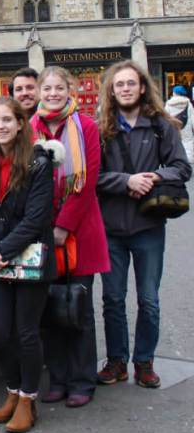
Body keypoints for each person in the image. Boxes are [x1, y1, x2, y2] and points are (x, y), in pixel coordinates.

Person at [96, 60, 192, 390]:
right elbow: (91, 177)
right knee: (112, 299)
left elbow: (181, 167)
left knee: (148, 299)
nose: (124, 88)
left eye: (130, 83)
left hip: (149, 225)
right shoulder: (100, 128)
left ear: (141, 87)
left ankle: (145, 362)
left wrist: (156, 176)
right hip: (111, 228)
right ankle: (117, 361)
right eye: (118, 84)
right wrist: (126, 181)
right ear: (112, 90)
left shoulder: (160, 125)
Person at [0, 96, 56, 433]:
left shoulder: (39, 162)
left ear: (21, 123)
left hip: (30, 260)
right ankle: (12, 391)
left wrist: (1, 250)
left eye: (7, 120)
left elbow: (36, 219)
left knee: (25, 333)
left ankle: (27, 400)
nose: (1, 126)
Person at [29, 66, 109, 407]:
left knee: (78, 307)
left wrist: (63, 225)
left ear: (69, 90)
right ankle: (58, 378)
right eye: (47, 88)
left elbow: (88, 179)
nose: (52, 94)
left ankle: (82, 380)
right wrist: (42, 226)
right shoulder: (30, 129)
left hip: (77, 229)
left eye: (59, 88)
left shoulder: (86, 126)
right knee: (47, 307)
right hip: (40, 231)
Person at [164, 84, 194, 163]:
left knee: (174, 142)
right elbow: (192, 118)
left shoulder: (169, 104)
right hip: (186, 127)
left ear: (175, 93)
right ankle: (188, 161)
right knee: (188, 142)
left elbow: (166, 118)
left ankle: (176, 161)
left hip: (174, 127)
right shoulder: (188, 103)